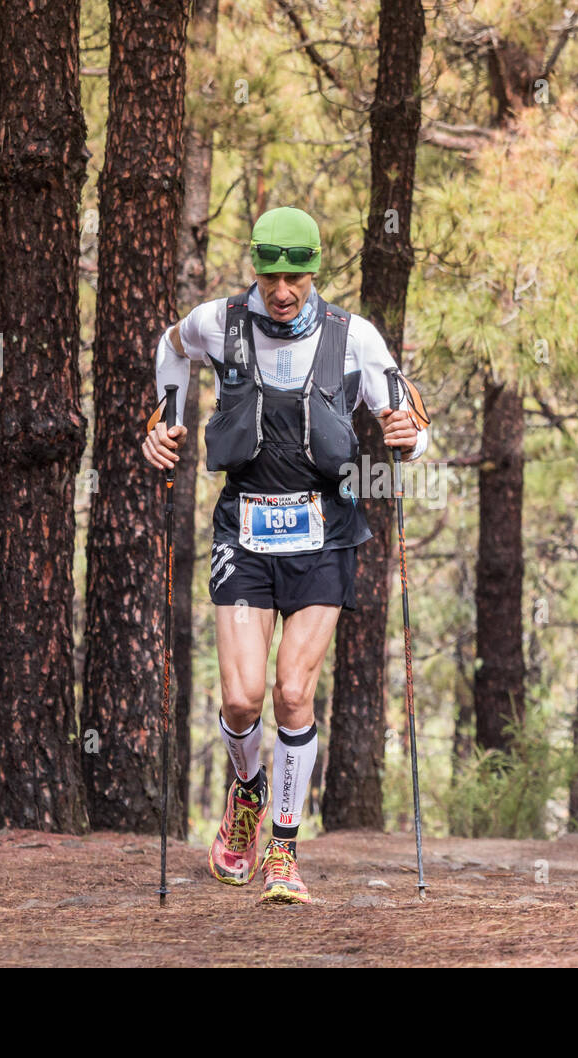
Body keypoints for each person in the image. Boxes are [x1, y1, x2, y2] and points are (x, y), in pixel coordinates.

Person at [141, 206, 430, 905]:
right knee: (241, 698)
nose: (281, 290)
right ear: (256, 269)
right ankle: (246, 794)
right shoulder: (221, 323)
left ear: (313, 271)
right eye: (270, 275)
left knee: (293, 692)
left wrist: (406, 436)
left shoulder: (352, 336)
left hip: (325, 531)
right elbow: (170, 346)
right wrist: (167, 418)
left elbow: (412, 426)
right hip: (244, 528)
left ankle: (283, 849)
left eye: (295, 275)